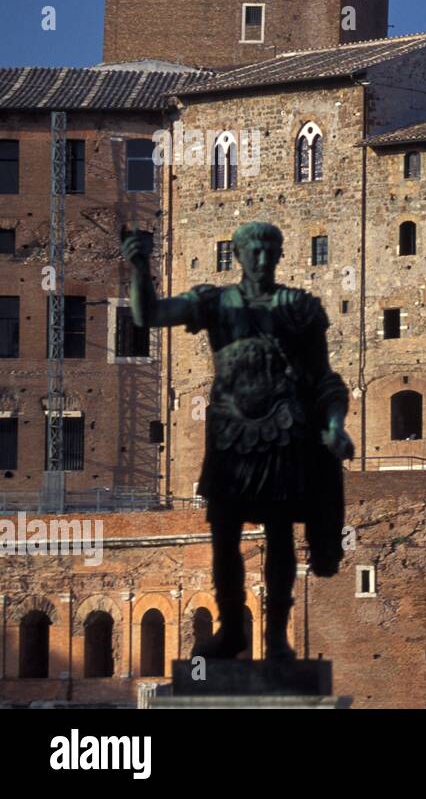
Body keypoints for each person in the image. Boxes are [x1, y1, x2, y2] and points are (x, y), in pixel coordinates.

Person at [122, 222, 352, 660]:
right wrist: (138, 266)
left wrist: (335, 424)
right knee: (223, 532)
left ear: (280, 255)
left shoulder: (298, 308)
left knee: (280, 532)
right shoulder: (216, 303)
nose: (262, 260)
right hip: (230, 433)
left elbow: (325, 378)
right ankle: (231, 630)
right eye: (254, 252)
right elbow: (148, 315)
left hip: (283, 430)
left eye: (270, 252)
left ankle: (277, 637)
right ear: (239, 255)